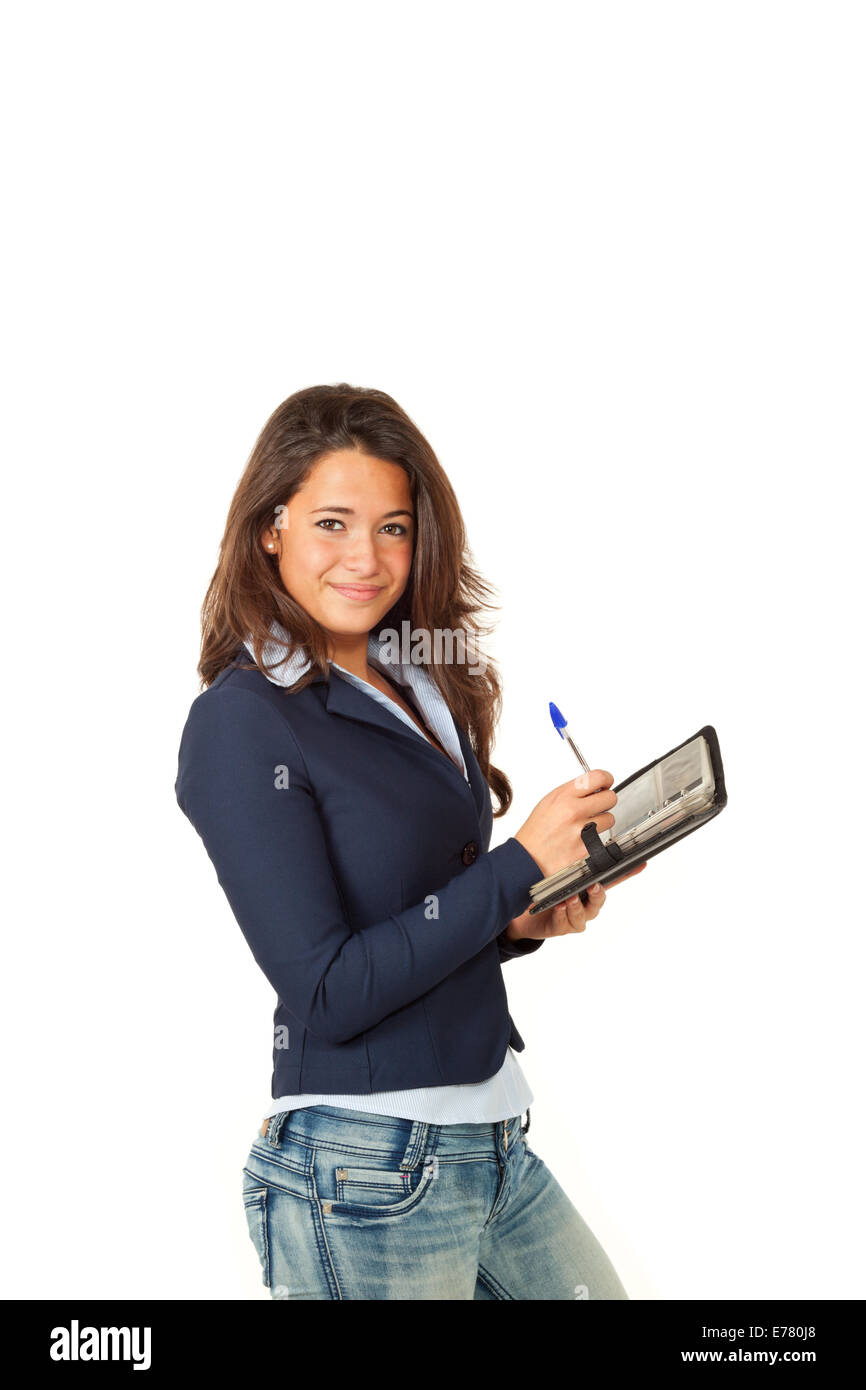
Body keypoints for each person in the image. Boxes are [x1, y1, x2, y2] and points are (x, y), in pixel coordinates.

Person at [175, 382, 646, 1300]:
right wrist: (519, 865)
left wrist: (524, 918)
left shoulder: (418, 680)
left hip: (492, 1140)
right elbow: (327, 989)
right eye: (334, 523)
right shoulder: (242, 724)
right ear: (270, 529)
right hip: (363, 1166)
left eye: (393, 527)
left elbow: (415, 913)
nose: (367, 558)